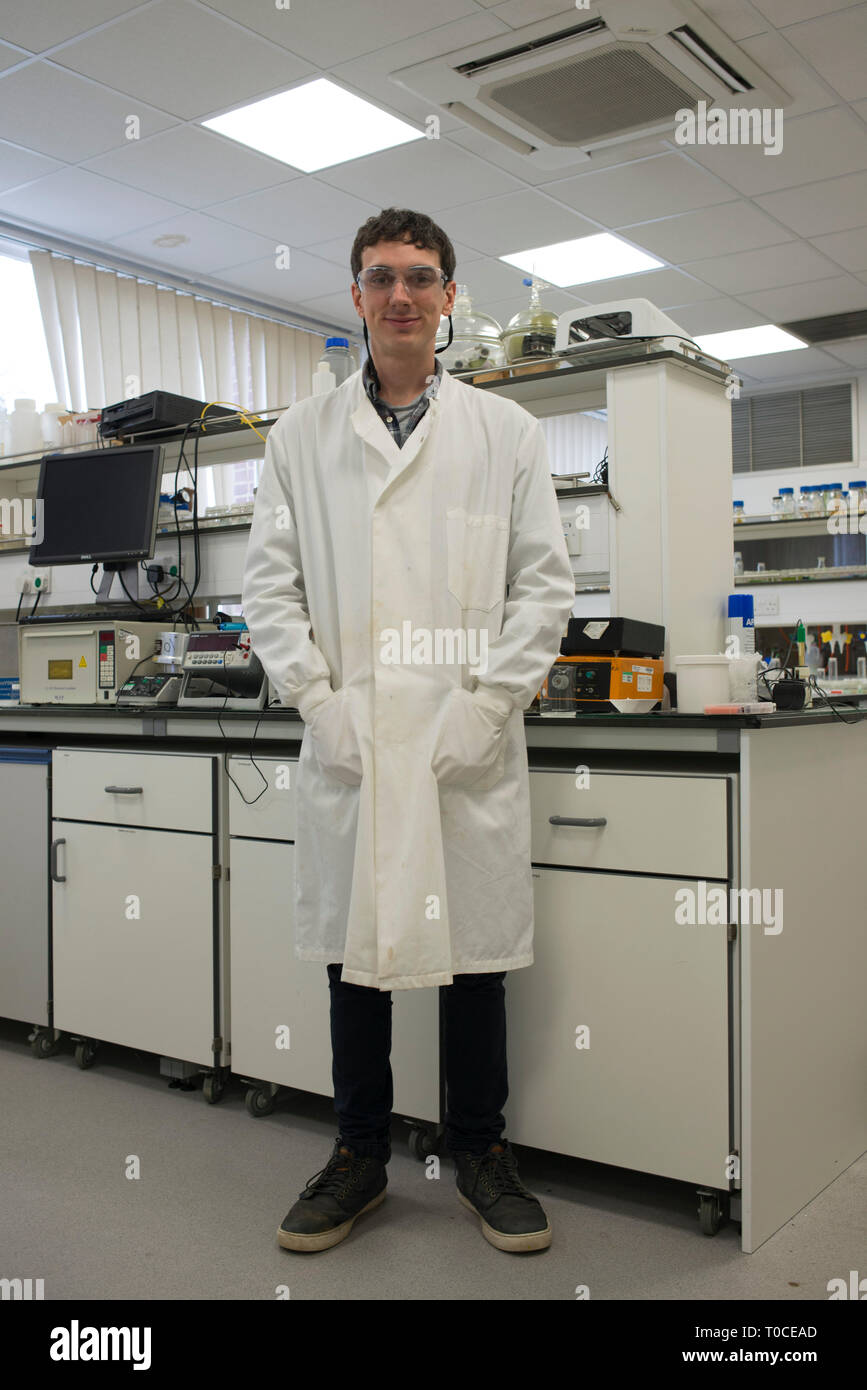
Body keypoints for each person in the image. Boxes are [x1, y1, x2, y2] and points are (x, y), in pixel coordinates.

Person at [242, 207, 575, 1255]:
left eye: (421, 277)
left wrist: (488, 706)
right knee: (356, 953)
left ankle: (481, 1149)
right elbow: (270, 591)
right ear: (354, 295)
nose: (401, 295)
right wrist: (320, 703)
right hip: (351, 737)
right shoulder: (301, 438)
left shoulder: (506, 435)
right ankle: (358, 1156)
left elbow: (544, 587)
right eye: (380, 277)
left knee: (473, 956)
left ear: (449, 297)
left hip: (462, 738)